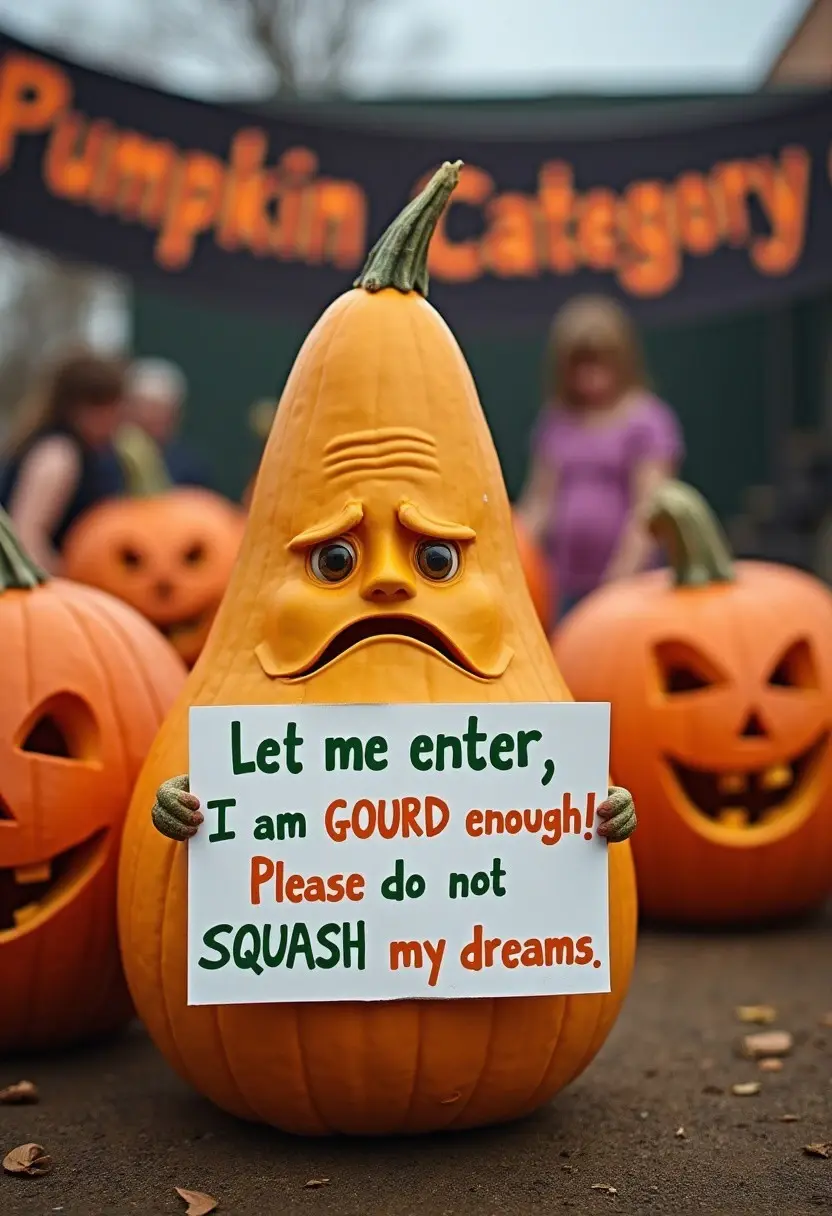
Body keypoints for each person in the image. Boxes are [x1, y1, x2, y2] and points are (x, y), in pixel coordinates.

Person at [518, 295, 684, 618]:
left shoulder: (646, 420)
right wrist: (513, 552)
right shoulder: (557, 422)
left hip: (630, 587)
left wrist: (621, 576)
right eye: (579, 364)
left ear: (621, 360)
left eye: (599, 362)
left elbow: (650, 509)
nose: (589, 375)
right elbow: (540, 503)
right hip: (565, 586)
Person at [0, 351, 126, 571]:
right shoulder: (58, 455)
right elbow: (27, 537)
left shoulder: (86, 454)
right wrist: (67, 585)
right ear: (83, 408)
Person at [119, 357, 214, 490]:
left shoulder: (191, 468)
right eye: (142, 407)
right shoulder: (105, 462)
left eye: (156, 409)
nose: (147, 416)